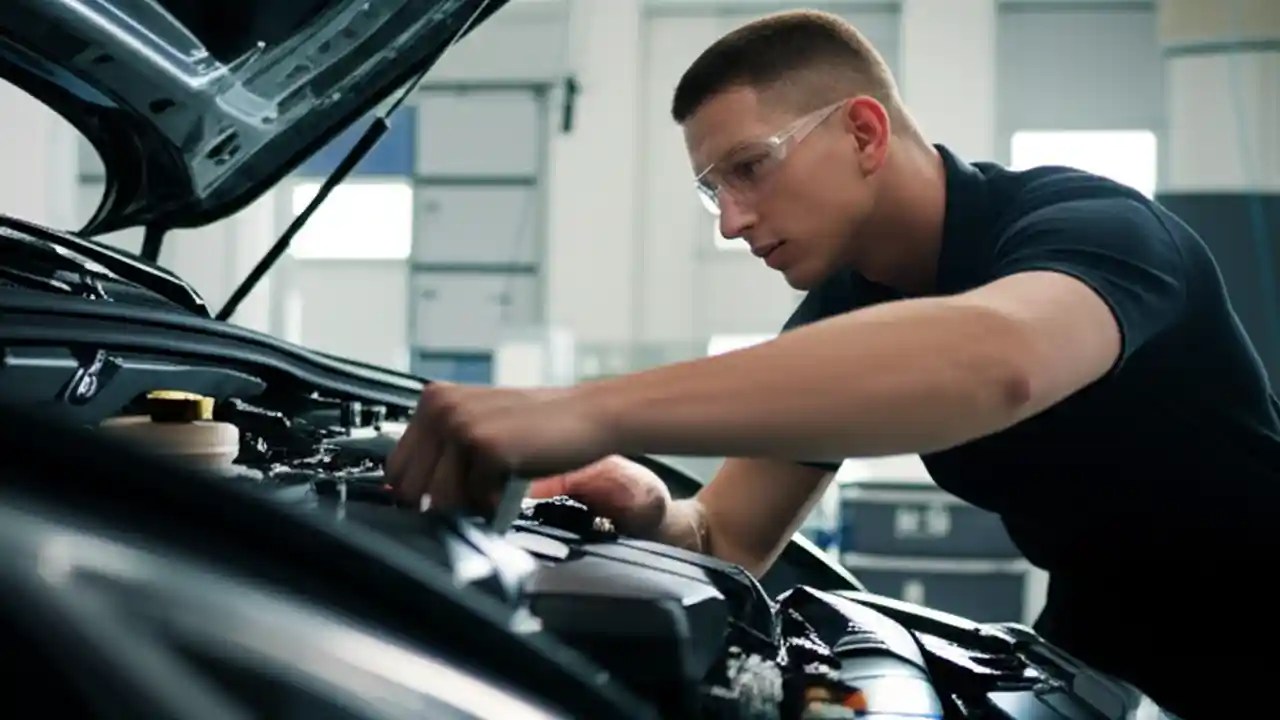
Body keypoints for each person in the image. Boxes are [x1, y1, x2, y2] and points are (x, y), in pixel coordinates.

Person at [388, 10, 1277, 717]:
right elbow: (727, 538)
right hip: (1096, 660)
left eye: (749, 169)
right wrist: (648, 505)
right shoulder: (847, 306)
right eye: (712, 191)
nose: (730, 222)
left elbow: (997, 361)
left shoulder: (1094, 228)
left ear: (861, 131)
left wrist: (584, 409)